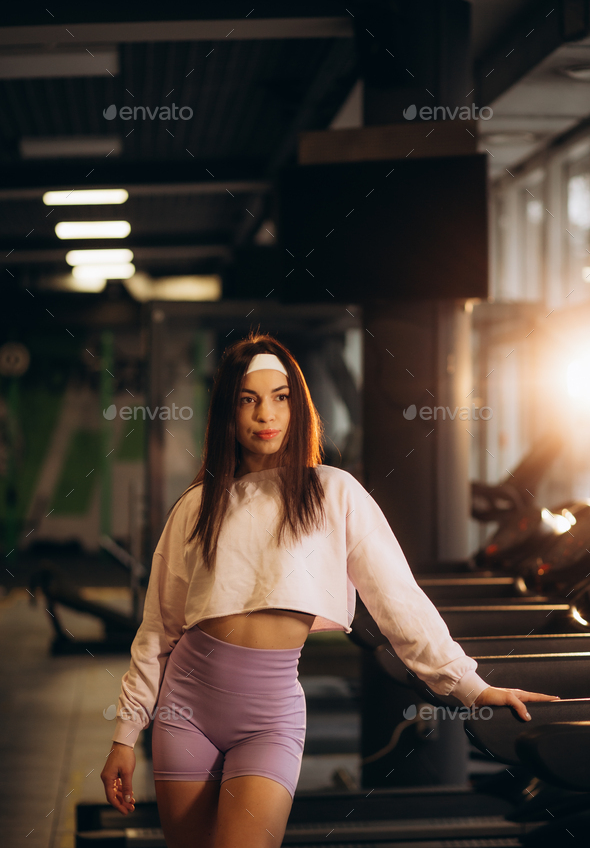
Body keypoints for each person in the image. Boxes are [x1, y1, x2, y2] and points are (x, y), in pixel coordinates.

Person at [100, 332, 559, 848]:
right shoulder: (197, 506)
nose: (264, 414)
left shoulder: (334, 493)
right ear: (228, 413)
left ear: (298, 408)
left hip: (269, 716)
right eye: (248, 400)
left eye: (280, 398)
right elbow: (159, 629)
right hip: (186, 708)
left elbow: (398, 601)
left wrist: (471, 686)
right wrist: (124, 735)